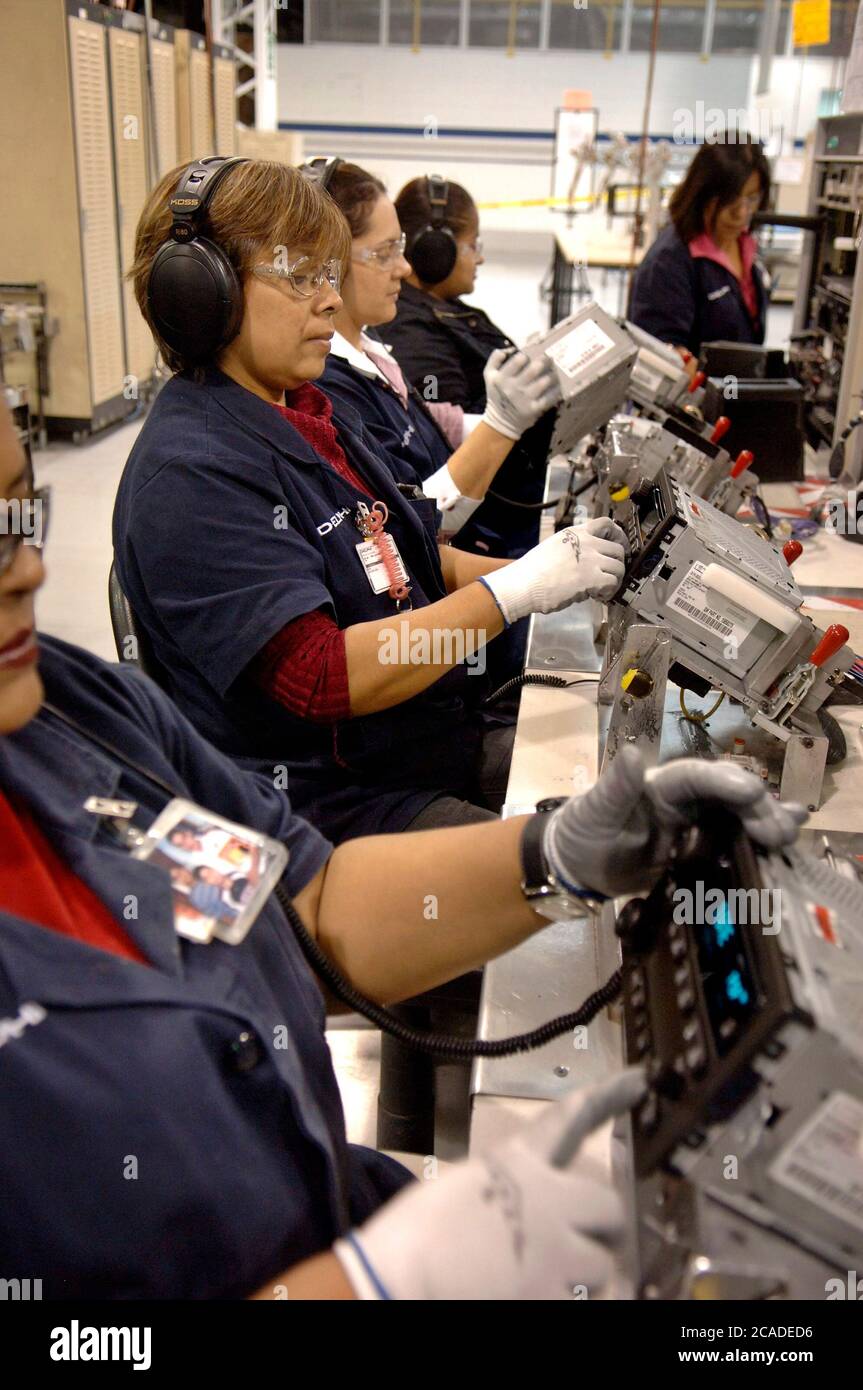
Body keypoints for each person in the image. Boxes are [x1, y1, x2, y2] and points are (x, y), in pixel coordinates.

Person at [0, 398, 806, 1298]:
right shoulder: (194, 476)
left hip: (325, 1210)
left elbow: (310, 908)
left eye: (24, 514)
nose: (30, 567)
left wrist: (552, 858)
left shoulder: (75, 716)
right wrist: (382, 1281)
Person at [113, 157, 628, 844]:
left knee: (622, 781)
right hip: (335, 810)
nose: (329, 299)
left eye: (329, 274)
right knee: (588, 888)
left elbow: (418, 554)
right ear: (200, 294)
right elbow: (321, 675)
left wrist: (562, 576)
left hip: (424, 740)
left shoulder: (307, 408)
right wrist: (512, 596)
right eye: (300, 276)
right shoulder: (192, 476)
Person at [317, 160, 556, 560]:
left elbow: (426, 421)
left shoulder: (369, 344)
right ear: (331, 262)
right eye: (385, 252)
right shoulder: (330, 385)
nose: (405, 267)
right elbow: (410, 526)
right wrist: (502, 424)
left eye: (402, 248)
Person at [386, 173, 555, 556]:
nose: (479, 257)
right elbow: (456, 447)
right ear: (435, 251)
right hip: (493, 532)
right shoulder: (417, 335)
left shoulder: (445, 312)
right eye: (471, 245)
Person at [628, 132, 771, 363]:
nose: (742, 213)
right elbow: (656, 357)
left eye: (752, 199)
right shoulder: (669, 262)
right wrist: (675, 357)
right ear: (702, 193)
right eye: (731, 199)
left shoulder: (744, 245)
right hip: (695, 398)